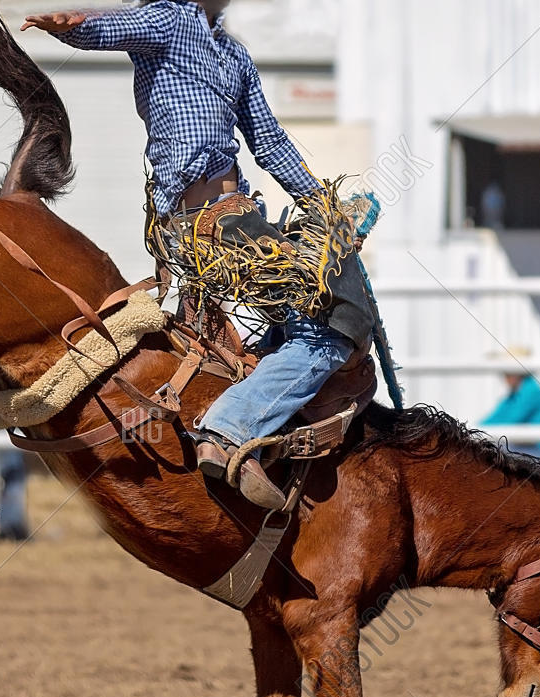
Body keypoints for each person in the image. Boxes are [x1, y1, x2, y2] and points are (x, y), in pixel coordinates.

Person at [23, 0, 375, 510]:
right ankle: (234, 424)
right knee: (343, 313)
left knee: (325, 291)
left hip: (237, 216)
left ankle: (264, 401)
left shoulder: (233, 54)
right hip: (206, 226)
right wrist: (72, 26)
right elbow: (111, 28)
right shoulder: (170, 20)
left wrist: (325, 208)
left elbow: (270, 142)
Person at [480, 358, 540, 468]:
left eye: (507, 373)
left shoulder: (532, 392)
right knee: (496, 449)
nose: (504, 378)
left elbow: (509, 420)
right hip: (538, 451)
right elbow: (496, 418)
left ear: (516, 374)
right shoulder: (518, 394)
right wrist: (474, 431)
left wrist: (476, 433)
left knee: (495, 450)